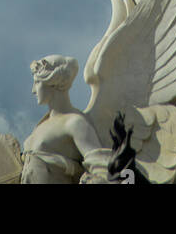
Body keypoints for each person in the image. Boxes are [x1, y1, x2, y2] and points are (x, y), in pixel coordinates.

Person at [21, 56, 111, 184]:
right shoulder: (40, 126)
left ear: (53, 82)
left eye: (37, 83)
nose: (33, 90)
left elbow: (102, 167)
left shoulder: (75, 123)